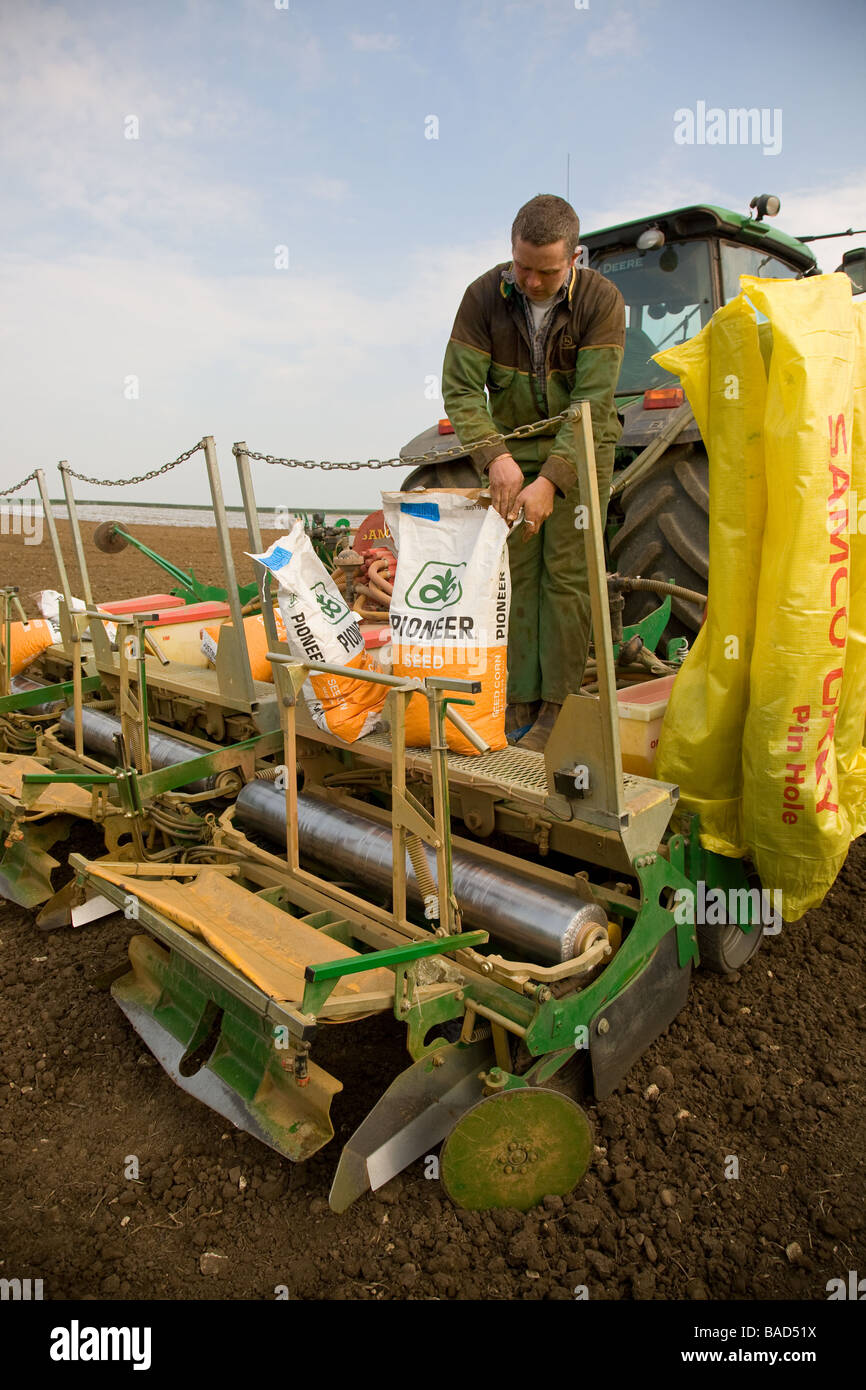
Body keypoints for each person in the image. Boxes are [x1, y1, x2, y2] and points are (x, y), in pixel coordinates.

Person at [441, 194, 625, 750]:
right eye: (522, 267)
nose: (532, 281)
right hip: (513, 446)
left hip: (583, 445)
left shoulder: (601, 300)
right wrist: (495, 456)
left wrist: (554, 478)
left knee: (565, 579)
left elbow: (592, 402)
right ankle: (517, 697)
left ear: (573, 258)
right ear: (512, 249)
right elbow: (462, 389)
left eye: (546, 271)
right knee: (514, 571)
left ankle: (558, 708)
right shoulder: (482, 297)